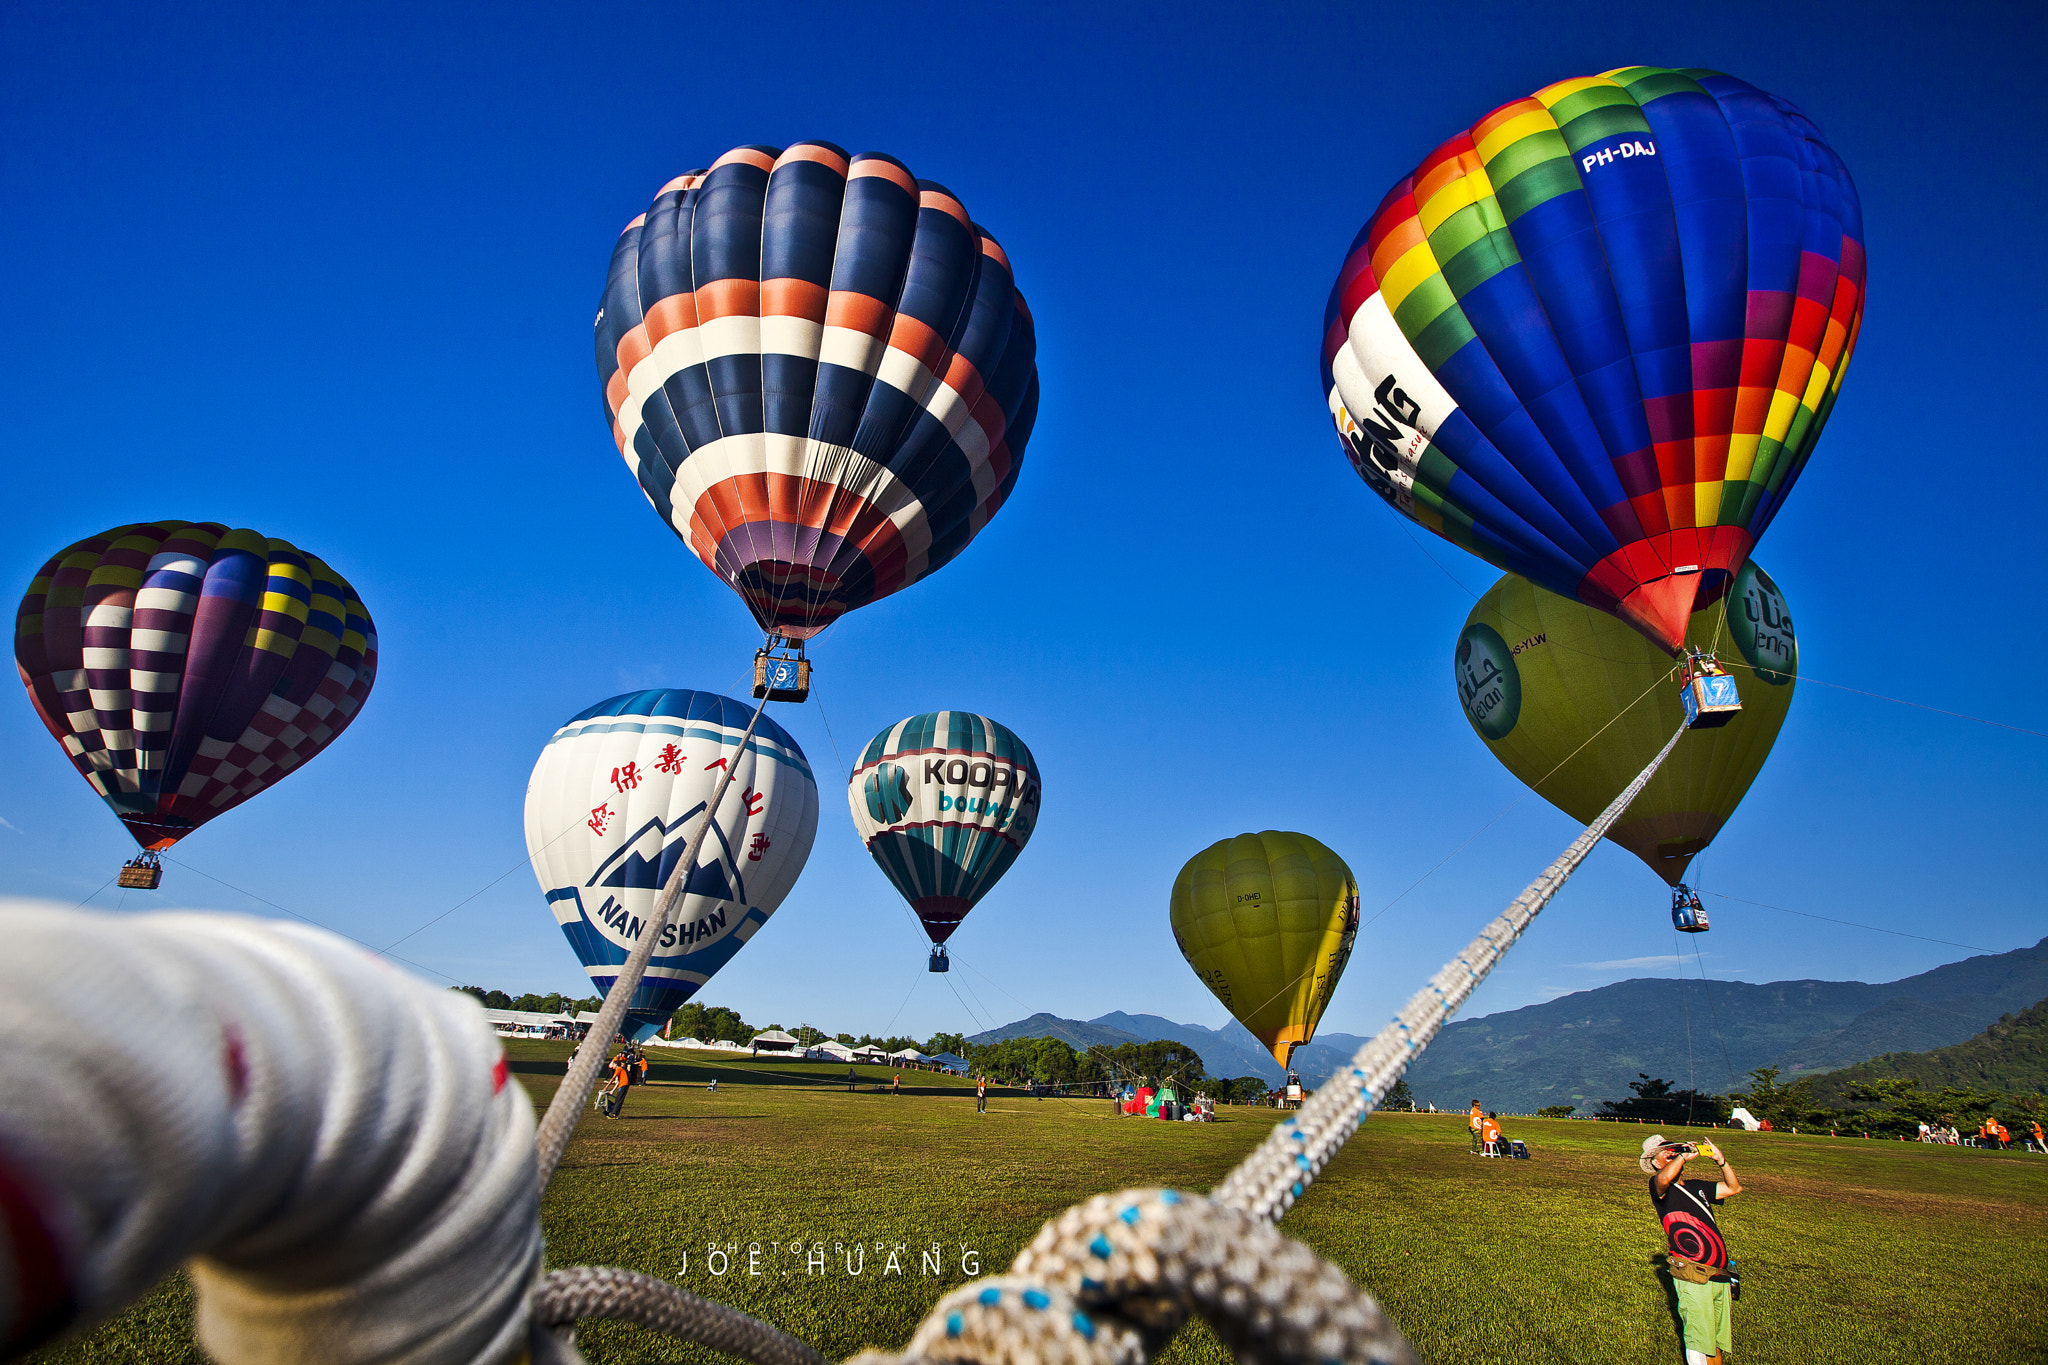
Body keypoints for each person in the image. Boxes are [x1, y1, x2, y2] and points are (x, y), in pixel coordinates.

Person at [1642, 1134, 1743, 1365]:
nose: (1674, 1155)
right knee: (1699, 1341)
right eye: (1667, 1154)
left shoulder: (1698, 1187)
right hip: (1692, 1273)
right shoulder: (1659, 1186)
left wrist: (1721, 1161)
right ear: (1656, 1163)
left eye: (1675, 1151)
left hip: (1719, 1273)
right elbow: (1664, 1178)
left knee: (1715, 1343)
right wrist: (1684, 1158)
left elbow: (1733, 1188)